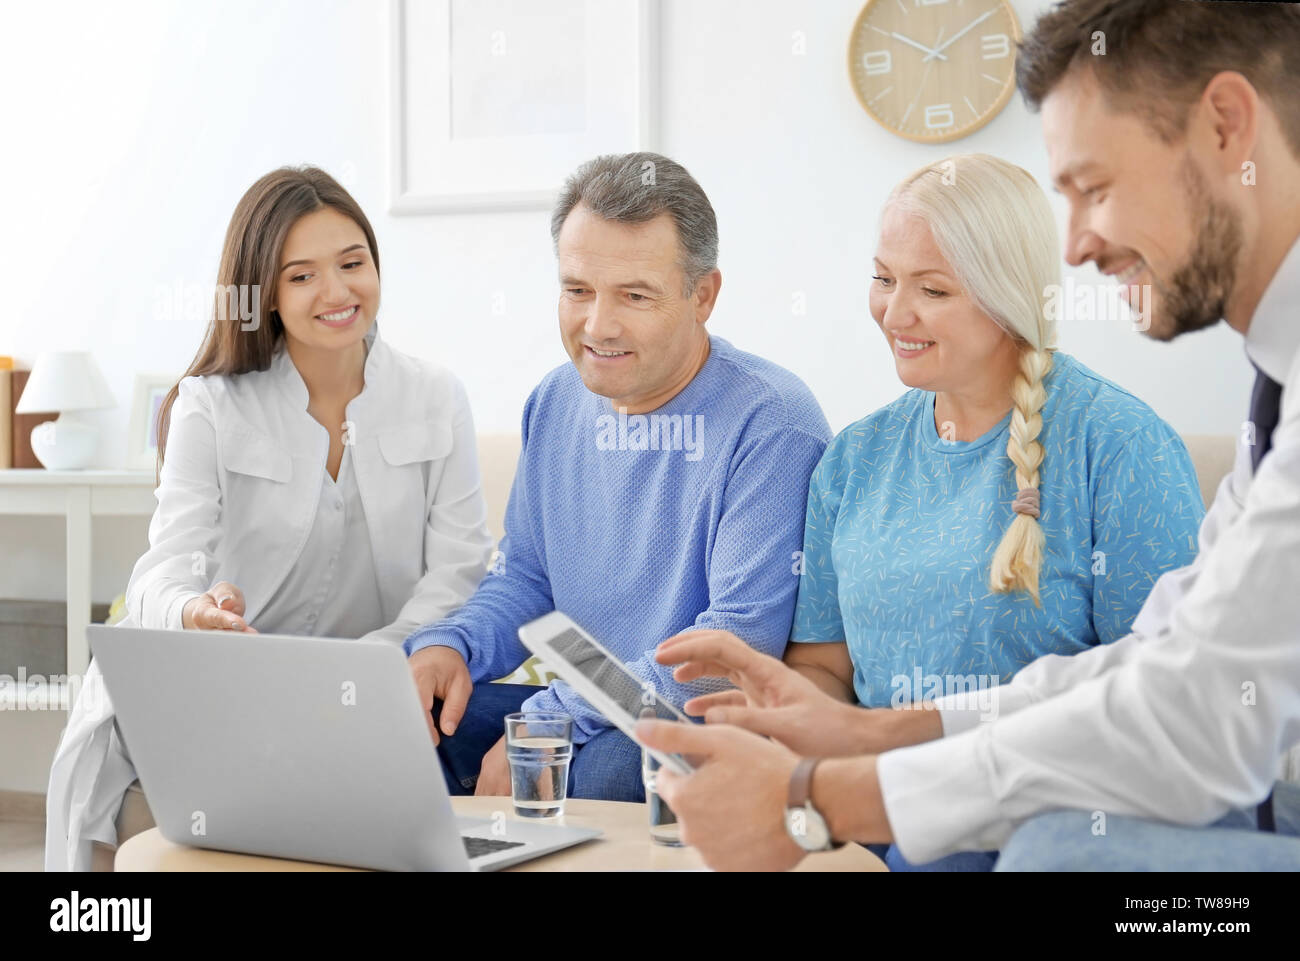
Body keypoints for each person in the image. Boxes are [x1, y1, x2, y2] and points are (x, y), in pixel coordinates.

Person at [638, 0, 1300, 871]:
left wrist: (818, 798)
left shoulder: (1117, 438)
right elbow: (1155, 666)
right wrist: (876, 730)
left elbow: (1197, 725)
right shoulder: (1277, 391)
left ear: (1225, 124)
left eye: (1095, 187)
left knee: (1062, 858)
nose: (1076, 247)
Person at [46, 166, 494, 871]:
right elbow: (165, 566)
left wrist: (371, 662)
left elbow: (461, 571)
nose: (339, 292)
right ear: (265, 294)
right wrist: (195, 610)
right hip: (229, 679)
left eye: (353, 263)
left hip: (375, 675)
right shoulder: (209, 404)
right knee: (125, 737)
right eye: (302, 276)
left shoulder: (437, 395)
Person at [783, 153, 1204, 871]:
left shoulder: (1122, 448)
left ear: (1007, 294)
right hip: (882, 796)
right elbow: (823, 664)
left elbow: (1162, 704)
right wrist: (809, 738)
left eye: (933, 289)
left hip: (1037, 814)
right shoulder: (854, 458)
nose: (895, 312)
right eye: (883, 278)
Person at [404, 152, 831, 802]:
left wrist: (547, 720)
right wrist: (451, 644)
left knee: (619, 766)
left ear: (703, 295)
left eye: (634, 295)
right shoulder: (554, 401)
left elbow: (725, 654)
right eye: (577, 290)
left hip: (694, 727)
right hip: (586, 709)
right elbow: (528, 575)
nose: (597, 326)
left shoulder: (771, 421)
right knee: (411, 727)